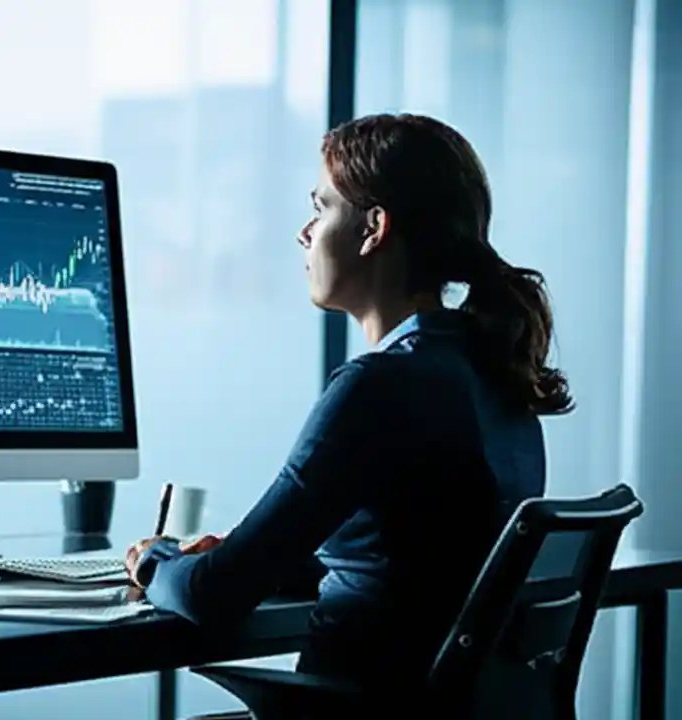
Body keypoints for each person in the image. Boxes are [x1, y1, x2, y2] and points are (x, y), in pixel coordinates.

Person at [125, 112, 574, 685]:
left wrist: (158, 559)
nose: (304, 233)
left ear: (373, 228)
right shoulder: (493, 370)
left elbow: (214, 595)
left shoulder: (379, 386)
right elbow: (417, 561)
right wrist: (263, 556)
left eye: (321, 208)